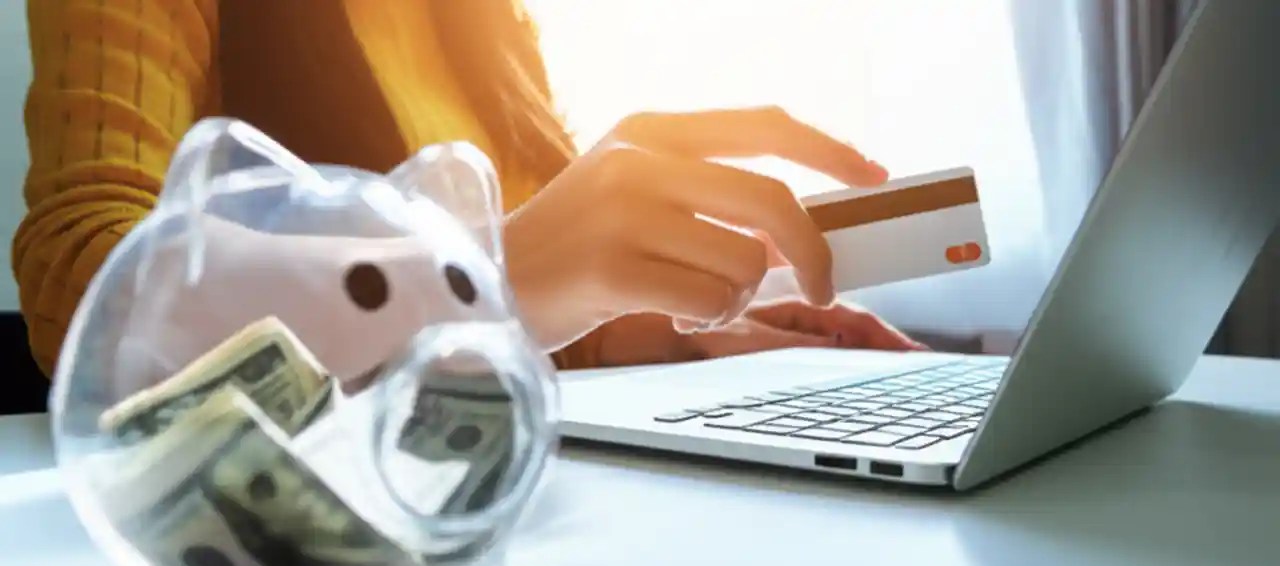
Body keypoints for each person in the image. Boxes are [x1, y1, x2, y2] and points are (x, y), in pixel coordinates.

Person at [13, 0, 922, 380]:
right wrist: (481, 276)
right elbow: (79, 280)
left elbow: (524, 328)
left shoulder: (488, 17)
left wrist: (687, 338)